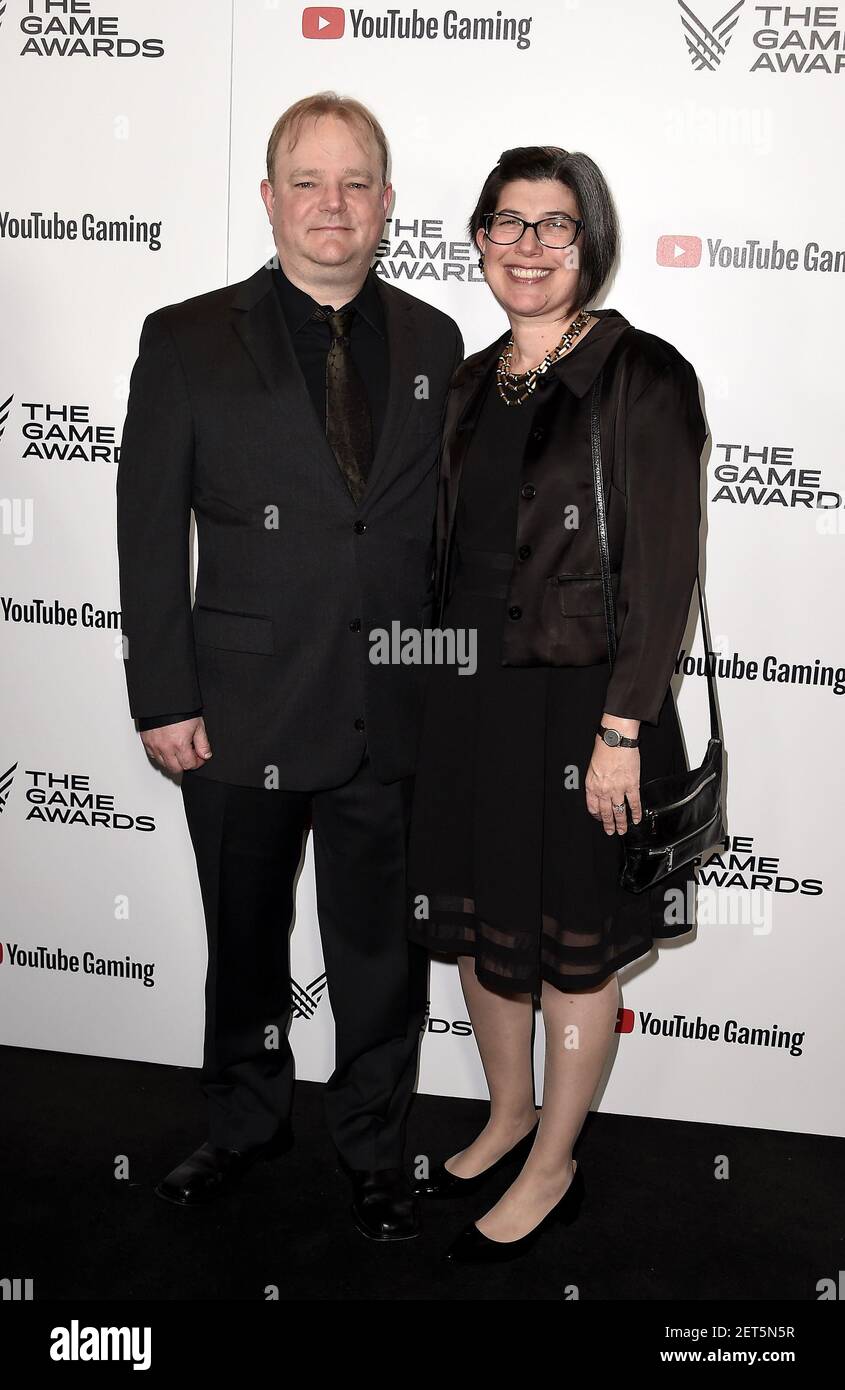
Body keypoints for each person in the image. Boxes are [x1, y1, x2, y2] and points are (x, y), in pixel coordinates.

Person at [116, 92, 462, 1242]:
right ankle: (245, 1119)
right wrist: (163, 693)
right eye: (306, 182)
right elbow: (148, 524)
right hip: (237, 711)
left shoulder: (432, 340)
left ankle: (373, 1145)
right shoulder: (185, 336)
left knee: (379, 953)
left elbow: (431, 540)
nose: (331, 205)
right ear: (267, 199)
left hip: (386, 710)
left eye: (354, 183)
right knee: (246, 944)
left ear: (386, 205)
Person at [407, 145, 708, 1264]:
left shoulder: (642, 374)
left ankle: (553, 1161)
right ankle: (506, 1114)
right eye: (506, 222)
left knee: (571, 945)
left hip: (587, 708)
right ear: (478, 238)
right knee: (485, 929)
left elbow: (667, 564)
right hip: (472, 705)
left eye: (553, 224)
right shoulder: (474, 378)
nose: (526, 246)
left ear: (590, 240)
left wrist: (622, 729)